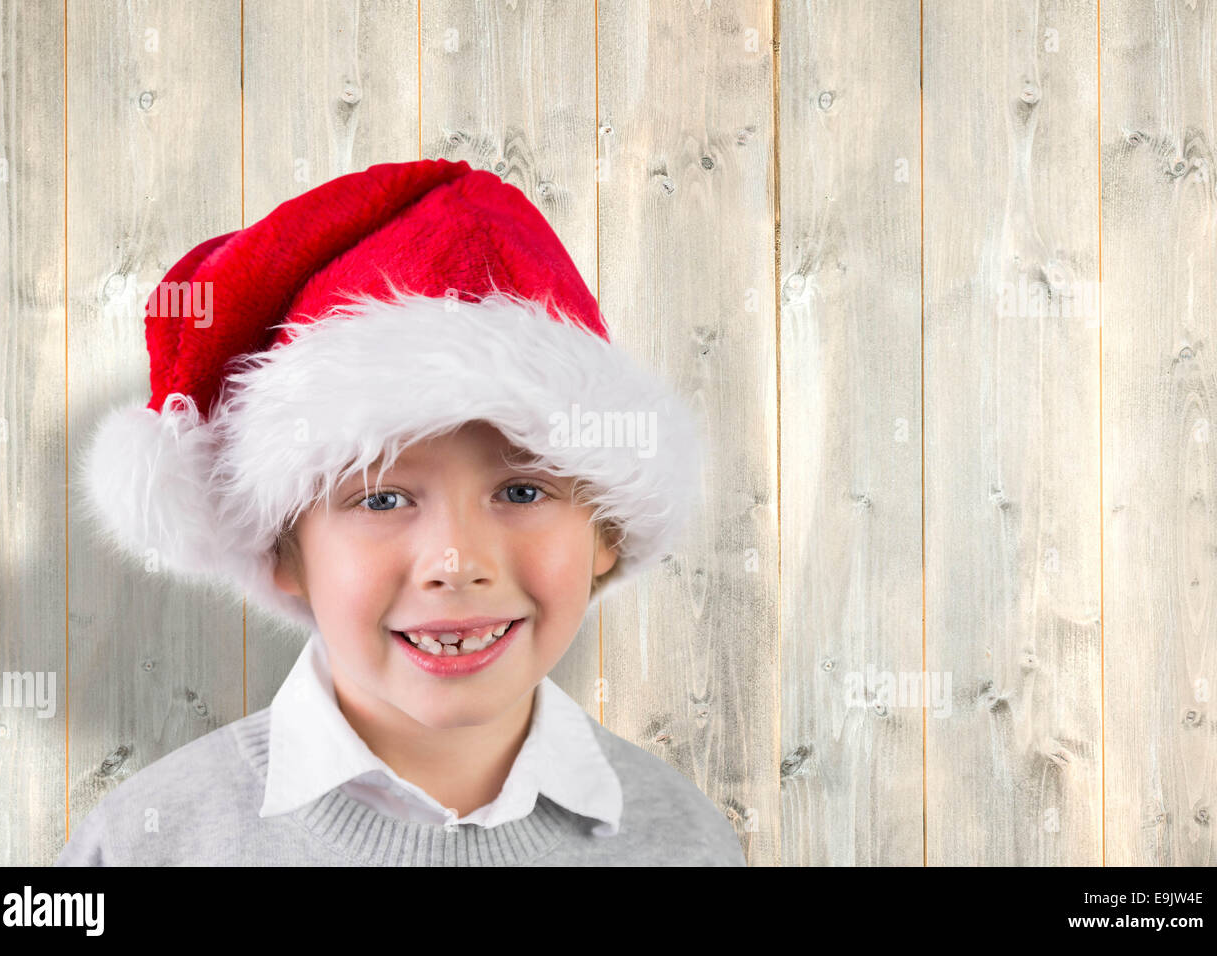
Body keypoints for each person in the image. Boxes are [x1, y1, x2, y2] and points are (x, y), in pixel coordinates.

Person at [57, 157, 745, 866]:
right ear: (282, 552)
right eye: (381, 498)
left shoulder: (684, 842)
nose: (456, 563)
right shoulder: (150, 840)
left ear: (608, 532)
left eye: (522, 492)